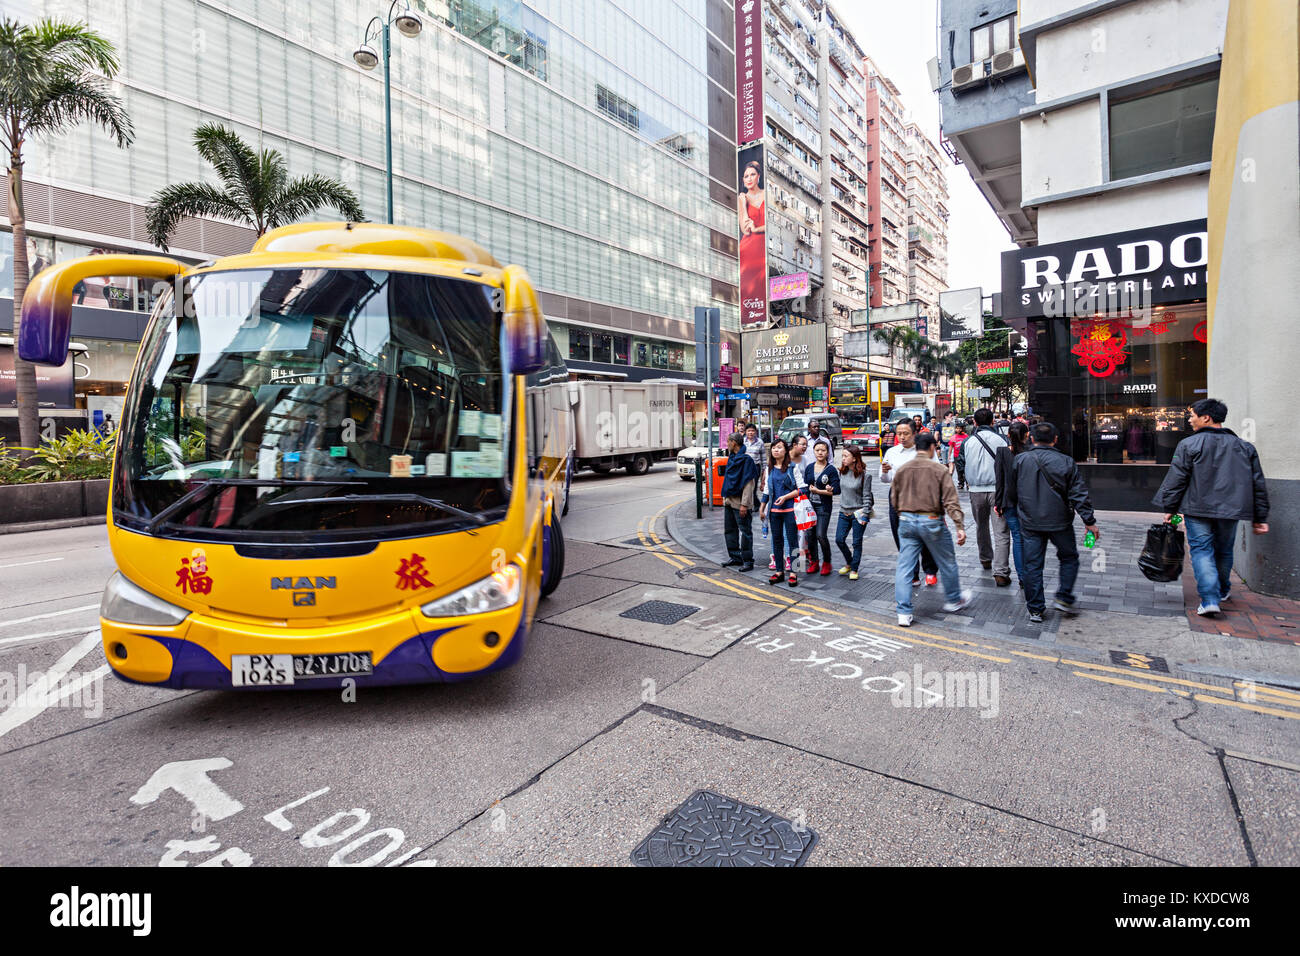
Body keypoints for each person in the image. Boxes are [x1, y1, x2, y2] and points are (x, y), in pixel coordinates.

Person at [1151, 398, 1270, 617]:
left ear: (1206, 417)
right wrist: (1260, 517)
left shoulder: (1188, 445)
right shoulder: (1244, 447)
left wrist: (1170, 508)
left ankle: (1210, 599)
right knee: (1224, 550)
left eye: (1193, 415)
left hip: (1197, 510)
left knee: (1201, 551)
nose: (1190, 419)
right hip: (1230, 510)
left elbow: (1177, 479)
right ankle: (1222, 591)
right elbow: (1257, 484)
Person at [1007, 422, 1101, 624]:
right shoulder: (1066, 461)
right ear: (1055, 439)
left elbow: (1012, 491)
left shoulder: (1021, 460)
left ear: (1032, 438)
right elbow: (1079, 494)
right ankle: (1064, 596)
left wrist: (1017, 510)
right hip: (1060, 521)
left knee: (1032, 565)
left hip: (1030, 521)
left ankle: (1035, 609)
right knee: (1069, 557)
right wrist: (1089, 521)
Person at [890, 432, 973, 627]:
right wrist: (959, 526)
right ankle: (953, 599)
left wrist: (904, 512)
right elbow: (951, 501)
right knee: (947, 561)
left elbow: (894, 498)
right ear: (932, 448)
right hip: (932, 520)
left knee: (905, 567)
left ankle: (903, 612)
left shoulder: (903, 469)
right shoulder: (939, 469)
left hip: (907, 520)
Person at [880, 421, 940, 587]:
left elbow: (937, 472)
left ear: (914, 434)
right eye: (899, 433)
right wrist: (884, 472)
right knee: (902, 535)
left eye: (906, 433)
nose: (902, 437)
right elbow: (884, 479)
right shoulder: (891, 452)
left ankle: (930, 570)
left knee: (925, 534)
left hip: (922, 497)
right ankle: (913, 572)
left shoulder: (925, 449)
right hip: (898, 497)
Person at [957, 408, 1011, 582]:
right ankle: (1001, 572)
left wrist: (965, 480)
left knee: (981, 526)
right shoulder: (1001, 439)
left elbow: (960, 464)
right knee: (1001, 531)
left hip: (975, 491)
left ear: (975, 423)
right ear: (992, 422)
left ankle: (985, 558)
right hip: (997, 490)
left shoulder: (968, 442)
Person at [760, 438, 803, 587]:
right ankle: (779, 571)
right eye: (773, 448)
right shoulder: (769, 468)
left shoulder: (793, 467)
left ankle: (794, 572)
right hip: (774, 511)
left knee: (793, 542)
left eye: (779, 447)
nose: (775, 450)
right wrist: (762, 507)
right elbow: (767, 490)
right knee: (776, 541)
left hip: (790, 510)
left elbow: (802, 489)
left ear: (785, 451)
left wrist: (785, 497)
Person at [994, 420, 1030, 588]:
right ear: (1026, 436)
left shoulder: (1001, 452)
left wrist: (998, 502)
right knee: (1028, 538)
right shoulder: (1031, 453)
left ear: (1008, 435)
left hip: (1008, 501)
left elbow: (999, 480)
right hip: (1028, 503)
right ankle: (1027, 576)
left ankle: (1023, 577)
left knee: (1017, 537)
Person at [720, 433, 760, 572]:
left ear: (734, 443)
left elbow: (749, 484)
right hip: (729, 501)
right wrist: (725, 499)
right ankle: (736, 557)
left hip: (740, 503)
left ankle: (748, 561)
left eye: (728, 441)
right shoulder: (732, 458)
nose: (727, 444)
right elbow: (728, 480)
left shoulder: (746, 460)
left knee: (745, 532)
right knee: (730, 531)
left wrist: (744, 504)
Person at [835, 445, 873, 580]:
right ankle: (850, 562)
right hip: (843, 512)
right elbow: (840, 490)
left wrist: (865, 514)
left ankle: (854, 568)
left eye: (846, 456)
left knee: (857, 542)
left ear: (855, 459)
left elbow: (867, 497)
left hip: (858, 513)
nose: (843, 459)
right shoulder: (842, 472)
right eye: (843, 456)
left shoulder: (865, 475)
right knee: (839, 539)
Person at [804, 439, 840, 576]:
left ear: (827, 452)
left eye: (823, 450)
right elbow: (805, 486)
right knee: (810, 535)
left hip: (823, 507)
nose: (820, 452)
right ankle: (814, 561)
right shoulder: (809, 467)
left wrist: (821, 491)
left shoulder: (831, 470)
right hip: (810, 507)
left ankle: (827, 562)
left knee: (820, 535)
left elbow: (836, 490)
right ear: (813, 451)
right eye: (817, 450)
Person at [738, 162, 766, 318]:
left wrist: (758, 229)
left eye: (752, 174)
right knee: (748, 292)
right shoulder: (743, 199)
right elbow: (745, 228)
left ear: (759, 176)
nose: (749, 179)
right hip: (748, 251)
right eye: (746, 176)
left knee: (763, 289)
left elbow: (772, 223)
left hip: (764, 249)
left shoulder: (767, 194)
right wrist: (743, 203)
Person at [948, 425, 968, 490]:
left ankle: (968, 483)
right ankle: (961, 483)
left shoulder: (966, 436)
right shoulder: (953, 437)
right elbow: (951, 447)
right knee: (959, 470)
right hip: (956, 456)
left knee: (966, 470)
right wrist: (949, 455)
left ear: (962, 429)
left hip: (964, 455)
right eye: (957, 428)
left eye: (960, 428)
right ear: (955, 429)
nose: (958, 430)